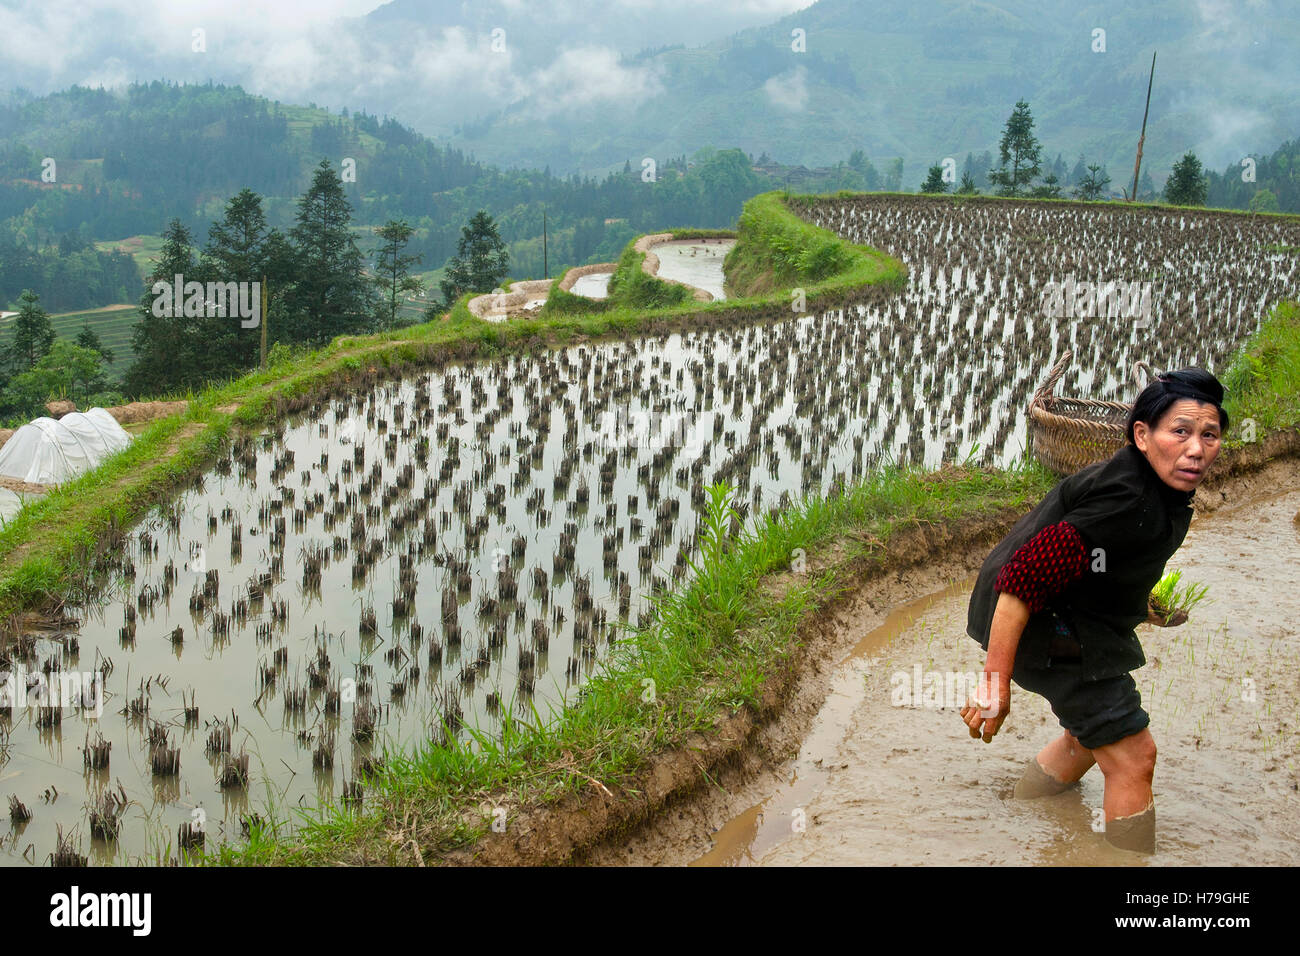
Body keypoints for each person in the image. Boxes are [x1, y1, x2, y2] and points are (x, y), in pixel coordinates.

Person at [961, 367, 1228, 853]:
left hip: (1056, 612)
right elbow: (1023, 581)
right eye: (1181, 432)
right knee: (1132, 756)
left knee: (1088, 736)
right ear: (1142, 435)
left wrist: (1141, 606)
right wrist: (995, 683)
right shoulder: (1127, 498)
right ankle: (1128, 874)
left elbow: (1102, 563)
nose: (1196, 449)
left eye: (1209, 435)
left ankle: (1024, 806)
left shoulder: (1159, 486)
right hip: (1037, 622)